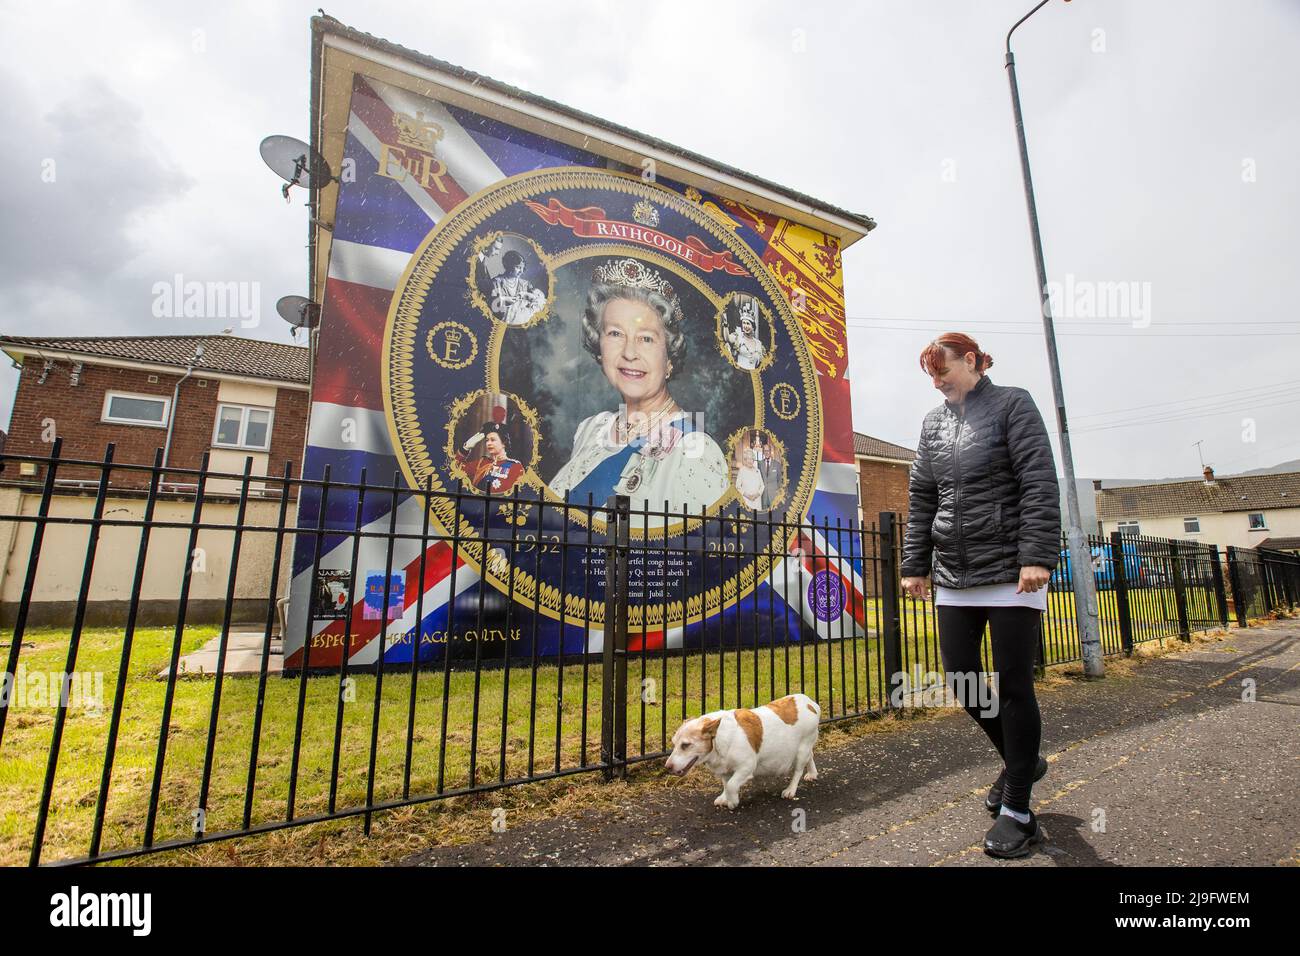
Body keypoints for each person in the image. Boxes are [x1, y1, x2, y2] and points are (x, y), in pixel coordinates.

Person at [900, 332, 1060, 859]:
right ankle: (1023, 760)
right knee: (964, 682)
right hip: (954, 573)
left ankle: (1019, 808)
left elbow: (1038, 480)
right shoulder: (933, 423)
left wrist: (1036, 554)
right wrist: (914, 565)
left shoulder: (1013, 404)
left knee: (1014, 685)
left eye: (943, 370)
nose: (937, 381)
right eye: (931, 376)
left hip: (1013, 572)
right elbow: (923, 496)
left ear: (971, 359)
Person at [548, 258, 728, 518]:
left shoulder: (695, 450)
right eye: (615, 334)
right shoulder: (592, 429)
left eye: (646, 338)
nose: (629, 353)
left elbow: (697, 555)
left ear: (669, 358)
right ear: (599, 347)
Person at [456, 422, 524, 495]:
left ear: (504, 443)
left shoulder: (515, 467)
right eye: (487, 440)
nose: (488, 443)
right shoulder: (482, 463)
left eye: (493, 440)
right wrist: (465, 448)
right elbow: (455, 470)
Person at [490, 250, 545, 326]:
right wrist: (505, 300)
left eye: (523, 268)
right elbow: (493, 307)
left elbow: (538, 302)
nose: (521, 271)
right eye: (518, 267)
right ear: (509, 265)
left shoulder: (526, 284)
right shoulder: (497, 282)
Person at [725, 304, 765, 370]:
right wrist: (725, 325)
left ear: (753, 326)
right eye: (744, 323)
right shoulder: (738, 337)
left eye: (748, 323)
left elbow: (762, 363)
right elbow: (727, 339)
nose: (745, 326)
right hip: (738, 373)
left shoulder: (758, 343)